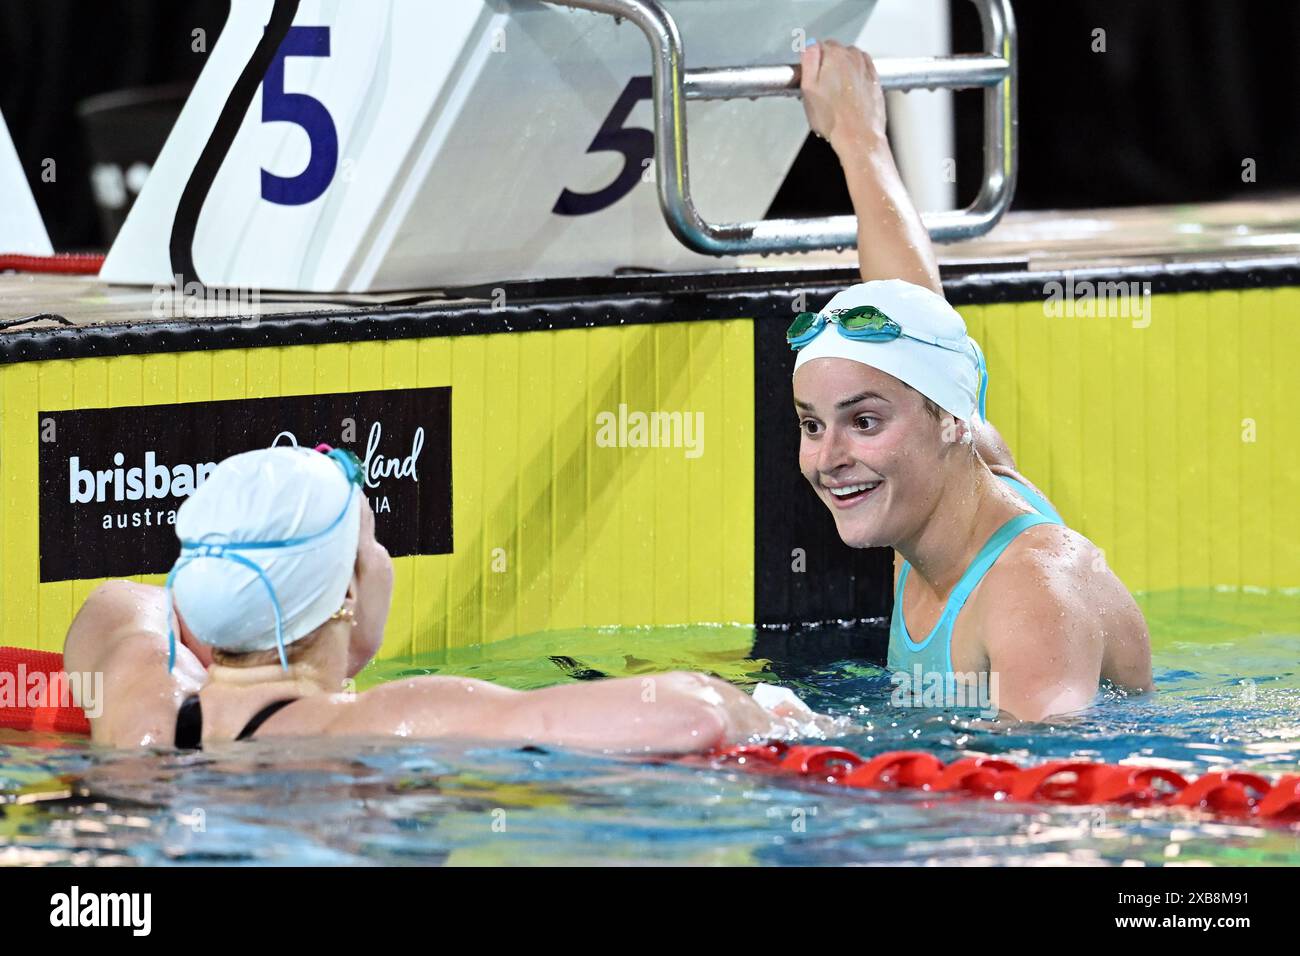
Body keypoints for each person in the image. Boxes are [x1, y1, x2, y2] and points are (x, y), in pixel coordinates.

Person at [793, 40, 1152, 721]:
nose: (828, 460)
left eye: (863, 422)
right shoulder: (934, 486)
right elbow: (910, 299)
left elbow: (1044, 804)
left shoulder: (1032, 588)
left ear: (953, 419)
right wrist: (857, 136)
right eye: (813, 424)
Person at [63, 444, 815, 751]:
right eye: (370, 548)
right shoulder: (378, 720)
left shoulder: (139, 699)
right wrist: (767, 710)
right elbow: (694, 716)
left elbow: (131, 603)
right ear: (349, 592)